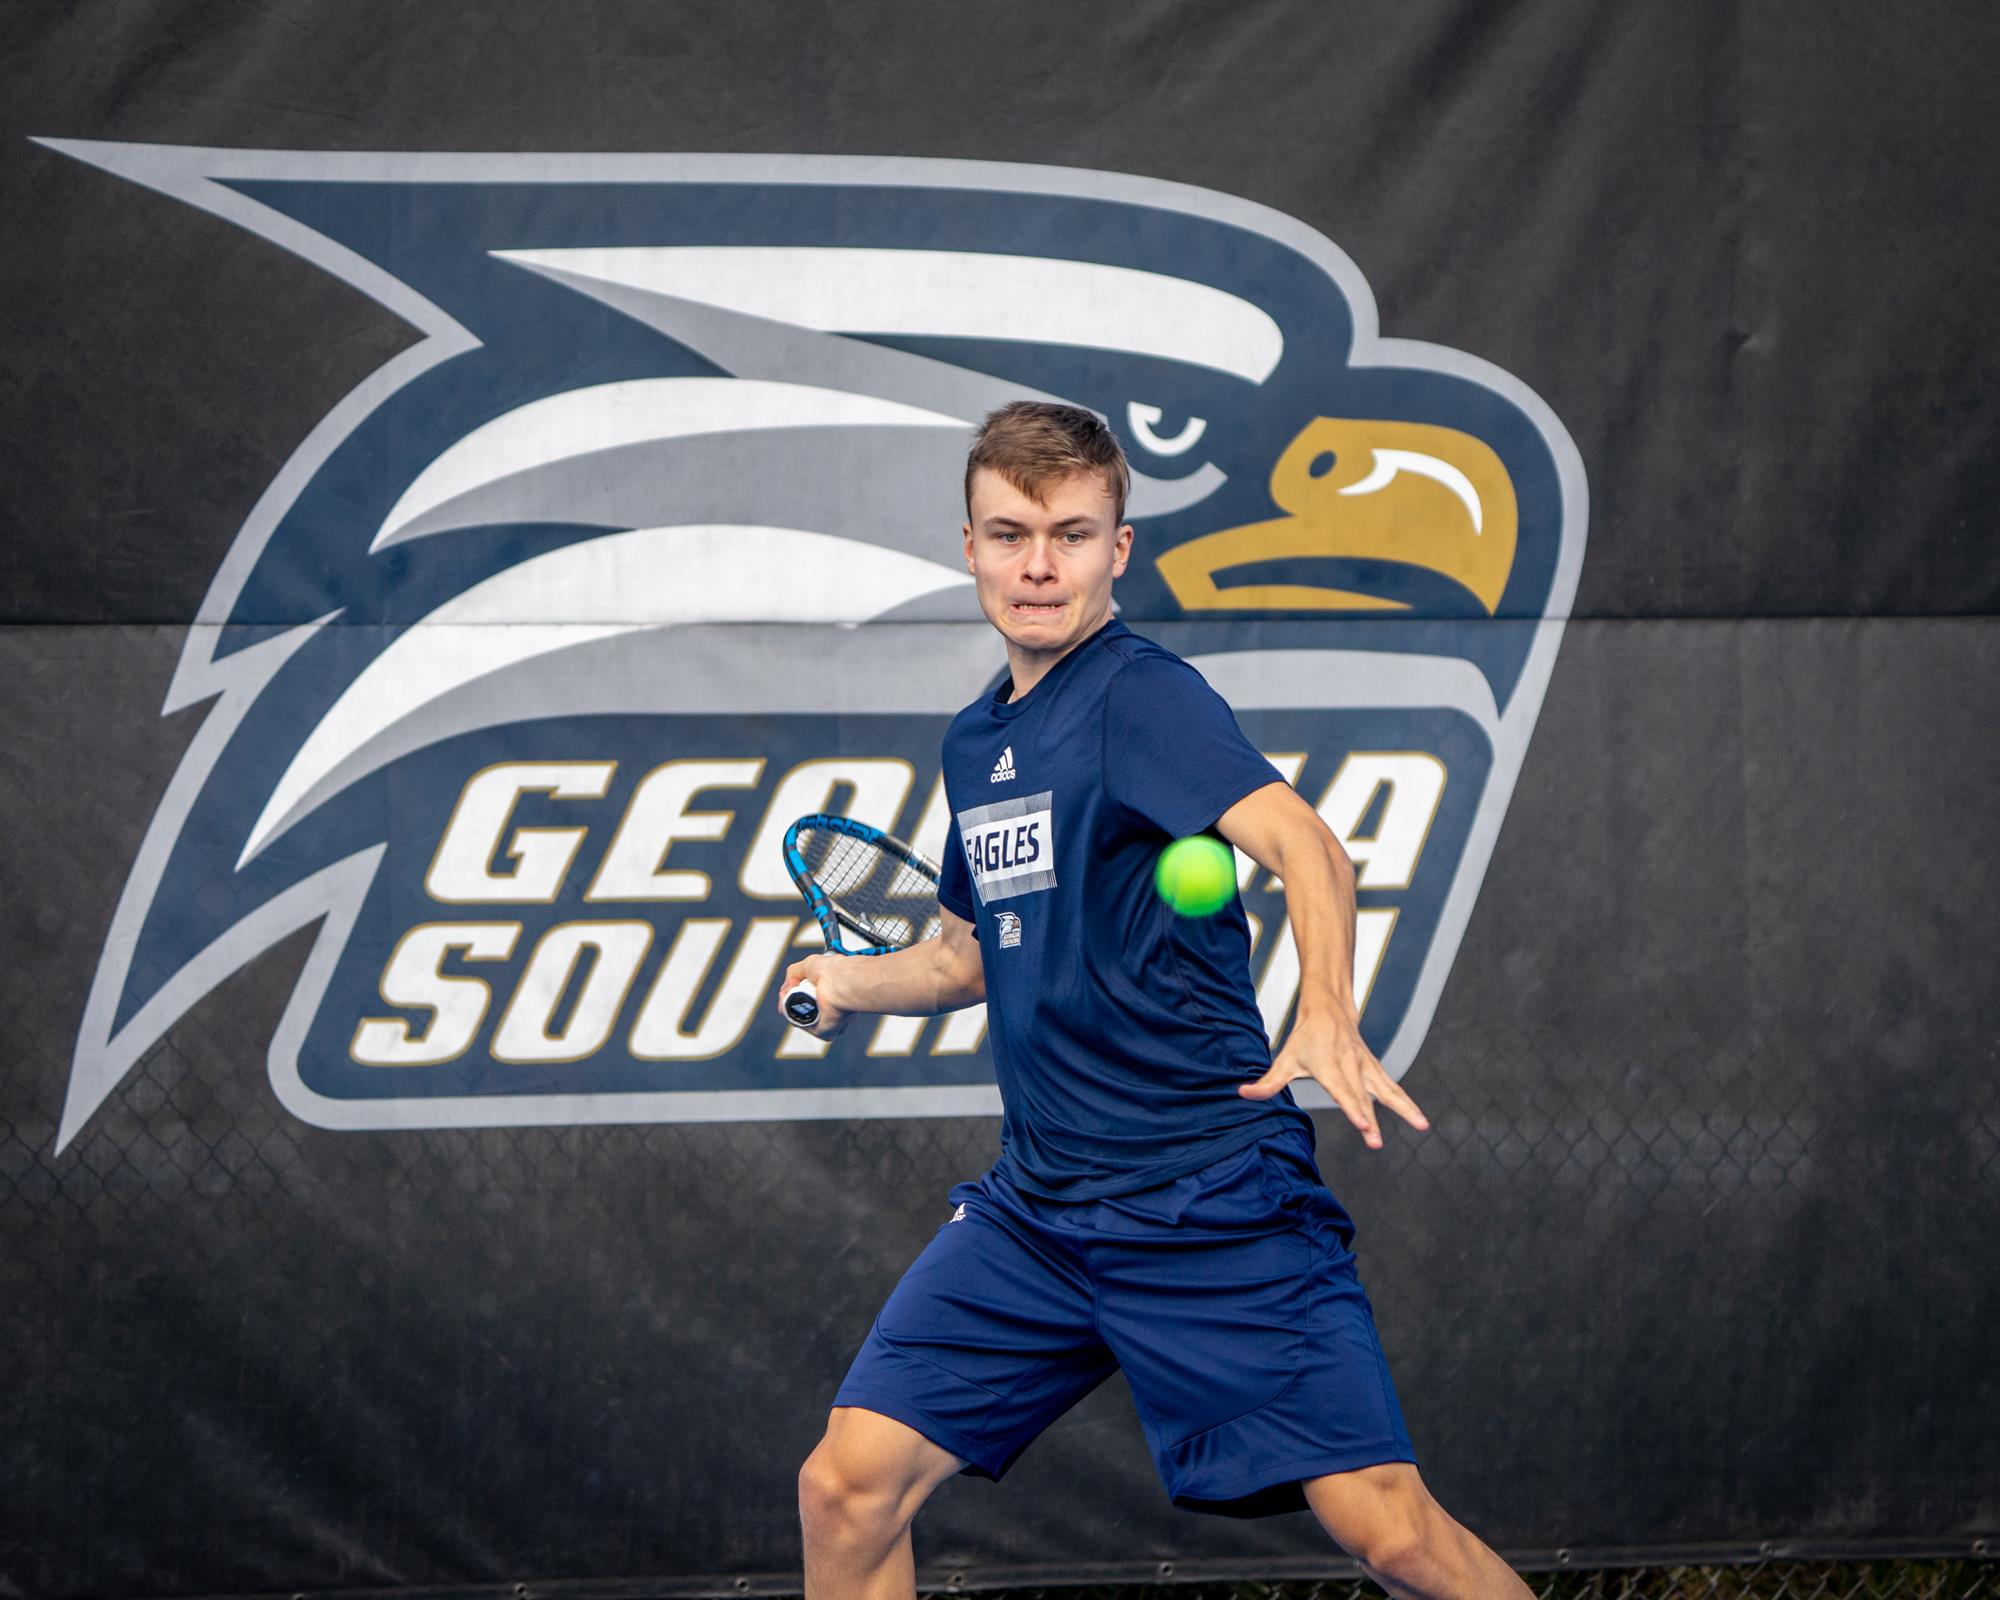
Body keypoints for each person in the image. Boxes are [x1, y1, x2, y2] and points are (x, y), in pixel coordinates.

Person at [778, 402, 1531, 1600]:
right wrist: (845, 981)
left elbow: (1308, 849)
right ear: (966, 546)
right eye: (1010, 532)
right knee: (846, 1484)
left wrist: (1324, 1006)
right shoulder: (977, 743)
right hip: (1038, 1211)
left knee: (1390, 1531)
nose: (1038, 564)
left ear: (1116, 551)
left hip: (1207, 1196)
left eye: (1071, 534)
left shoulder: (1140, 697)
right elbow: (966, 957)